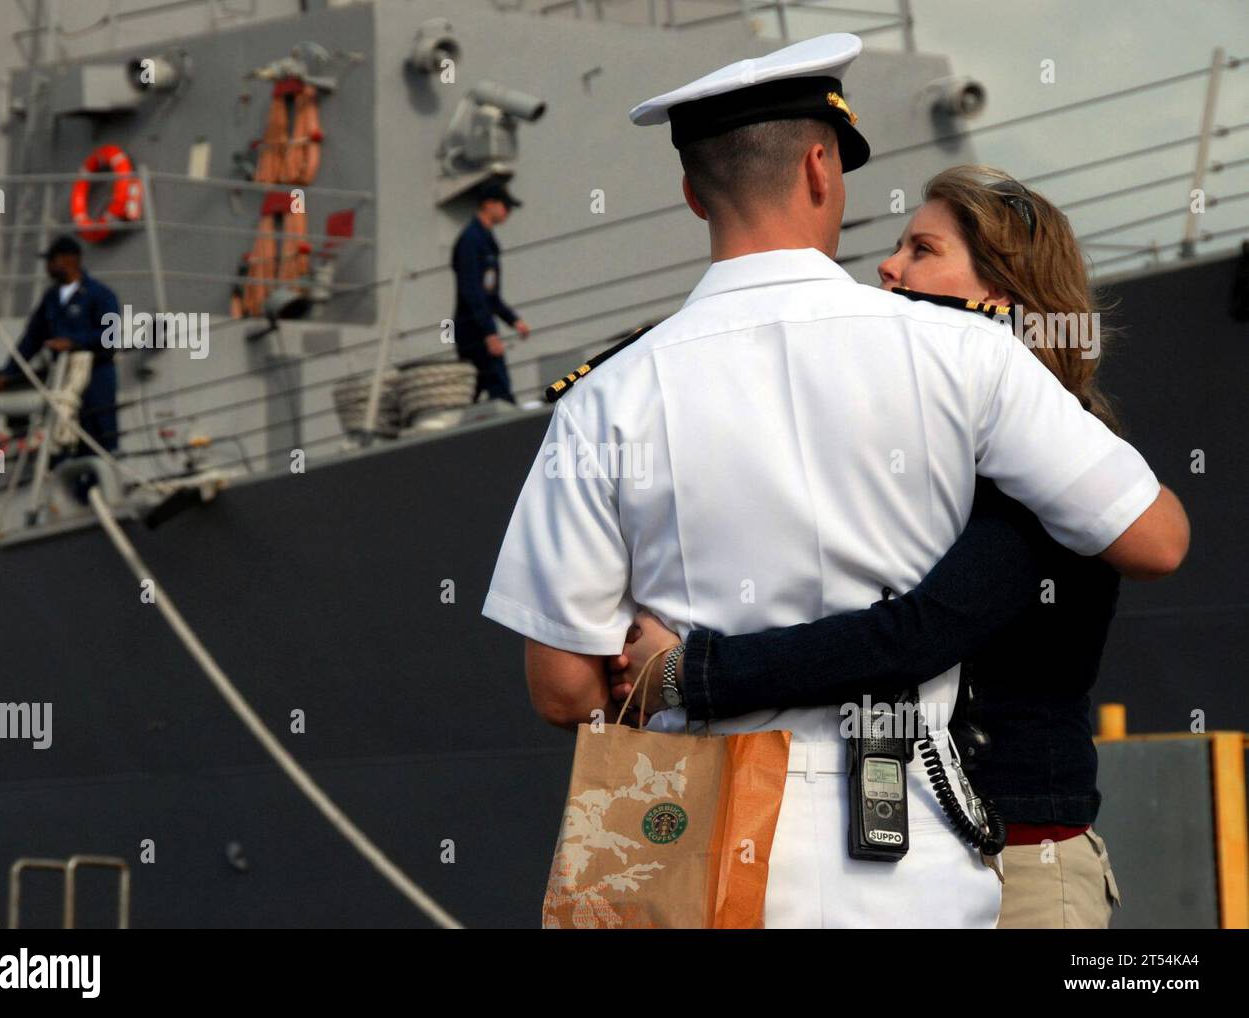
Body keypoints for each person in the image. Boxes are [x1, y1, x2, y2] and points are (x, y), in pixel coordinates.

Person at [481, 34, 1188, 928]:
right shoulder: (966, 353)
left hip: (686, 841)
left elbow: (563, 691)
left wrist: (669, 664)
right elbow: (1155, 536)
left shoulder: (605, 397)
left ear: (694, 192)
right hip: (907, 852)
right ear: (822, 167)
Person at [608, 164, 1187, 929]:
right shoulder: (917, 446)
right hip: (919, 860)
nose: (888, 267)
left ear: (1002, 296)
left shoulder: (1050, 459)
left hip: (1020, 867)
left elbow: (922, 631)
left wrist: (688, 671)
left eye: (922, 249)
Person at [0, 234, 121, 453]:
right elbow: (31, 339)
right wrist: (8, 373)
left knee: (100, 437)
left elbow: (110, 336)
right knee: (64, 439)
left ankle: (99, 482)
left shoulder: (100, 295)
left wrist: (73, 343)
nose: (48, 267)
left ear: (69, 260)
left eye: (52, 260)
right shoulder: (50, 299)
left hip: (96, 376)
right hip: (61, 378)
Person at [451, 180, 530, 403]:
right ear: (489, 204)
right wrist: (489, 333)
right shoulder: (471, 241)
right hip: (472, 329)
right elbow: (471, 292)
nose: (508, 211)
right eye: (505, 205)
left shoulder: (486, 242)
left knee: (479, 389)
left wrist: (514, 321)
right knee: (498, 385)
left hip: (481, 327)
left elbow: (490, 296)